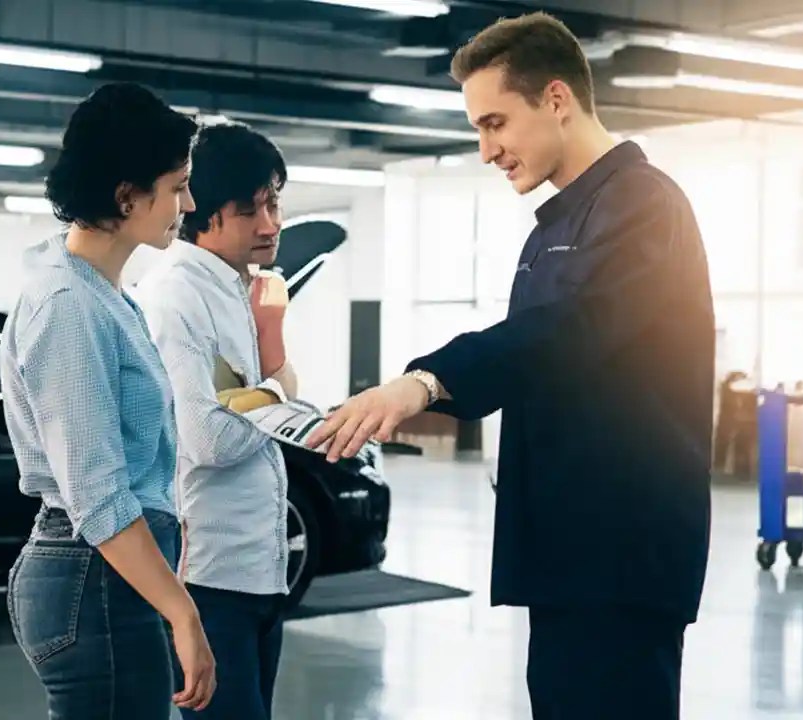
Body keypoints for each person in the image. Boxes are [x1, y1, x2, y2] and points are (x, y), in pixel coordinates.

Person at [305, 12, 715, 720]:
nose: (486, 149)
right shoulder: (561, 224)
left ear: (556, 99)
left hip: (618, 556)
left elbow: (565, 332)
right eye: (477, 129)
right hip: (566, 555)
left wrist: (426, 381)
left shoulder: (645, 206)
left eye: (495, 123)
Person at [0, 82, 216, 719]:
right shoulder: (67, 305)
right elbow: (95, 491)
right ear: (127, 196)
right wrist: (184, 612)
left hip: (104, 574)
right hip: (91, 575)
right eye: (177, 186)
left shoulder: (101, 295)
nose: (189, 202)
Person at [132, 120, 294, 720]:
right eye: (250, 209)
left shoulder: (237, 291)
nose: (271, 224)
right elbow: (207, 438)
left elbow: (243, 413)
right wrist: (277, 382)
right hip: (209, 579)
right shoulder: (176, 297)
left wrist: (264, 389)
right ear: (204, 212)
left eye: (274, 202)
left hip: (259, 575)